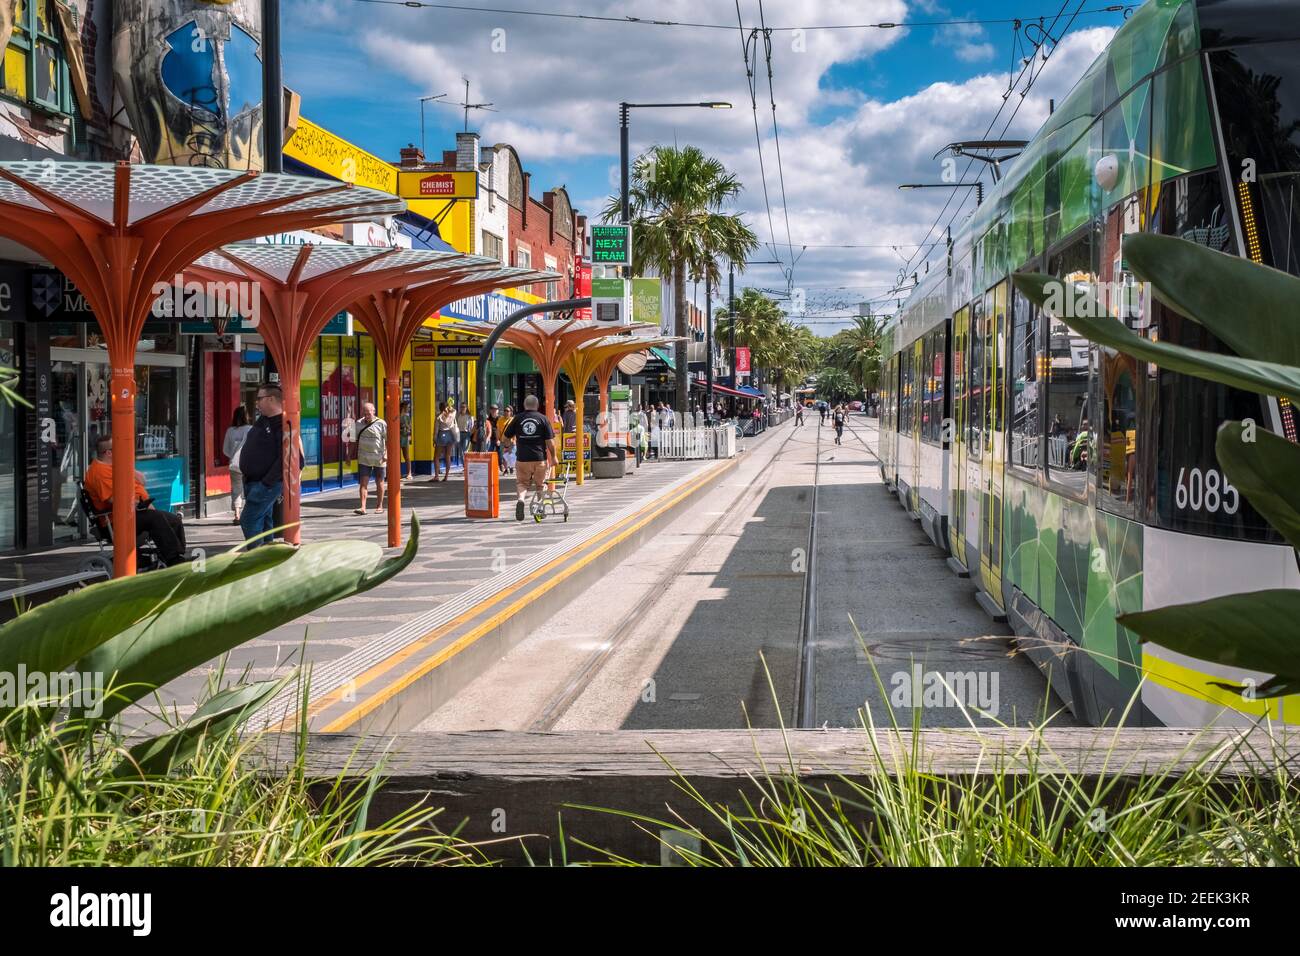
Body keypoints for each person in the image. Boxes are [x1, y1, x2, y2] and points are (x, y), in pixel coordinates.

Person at [83, 434, 187, 566]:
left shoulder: (115, 466)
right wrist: (139, 505)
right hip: (119, 519)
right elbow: (114, 500)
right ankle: (174, 560)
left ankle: (176, 555)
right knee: (156, 519)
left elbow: (142, 481)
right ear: (109, 453)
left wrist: (127, 467)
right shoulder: (99, 472)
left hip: (134, 511)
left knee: (174, 520)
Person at [239, 384, 299, 548]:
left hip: (265, 484)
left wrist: (267, 482)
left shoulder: (283, 424)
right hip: (254, 482)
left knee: (249, 519)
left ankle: (257, 559)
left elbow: (290, 457)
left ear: (271, 399)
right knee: (264, 521)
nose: (256, 402)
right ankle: (267, 555)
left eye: (259, 398)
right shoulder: (264, 420)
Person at [504, 394, 556, 522]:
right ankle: (540, 508)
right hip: (540, 458)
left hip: (522, 458)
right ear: (537, 406)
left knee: (522, 483)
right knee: (541, 484)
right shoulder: (543, 419)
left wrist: (509, 444)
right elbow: (550, 442)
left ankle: (521, 500)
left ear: (524, 405)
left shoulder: (517, 418)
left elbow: (505, 439)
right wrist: (554, 457)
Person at [354, 402, 387, 515]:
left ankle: (380, 506)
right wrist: (349, 455)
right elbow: (354, 440)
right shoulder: (358, 423)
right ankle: (363, 507)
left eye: (369, 413)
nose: (367, 415)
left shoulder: (381, 423)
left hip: (379, 457)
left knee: (380, 482)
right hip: (364, 457)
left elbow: (387, 439)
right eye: (365, 413)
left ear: (374, 411)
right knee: (363, 483)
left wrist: (386, 454)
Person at [222, 405, 251, 525]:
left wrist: (233, 456)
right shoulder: (250, 429)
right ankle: (249, 513)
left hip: (234, 464)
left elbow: (225, 449)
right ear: (246, 417)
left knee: (236, 489)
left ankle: (237, 514)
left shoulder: (230, 431)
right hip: (248, 464)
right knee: (249, 488)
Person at [434, 400, 459, 481]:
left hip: (441, 435)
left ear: (439, 408)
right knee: (447, 456)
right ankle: (446, 476)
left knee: (436, 457)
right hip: (450, 435)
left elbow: (436, 430)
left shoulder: (438, 417)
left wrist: (434, 439)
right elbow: (454, 410)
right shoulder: (452, 415)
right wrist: (450, 407)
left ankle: (437, 476)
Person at [496, 405, 515, 474]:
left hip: (511, 441)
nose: (506, 412)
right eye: (505, 411)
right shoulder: (500, 420)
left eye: (507, 411)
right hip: (503, 440)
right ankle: (506, 469)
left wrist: (514, 440)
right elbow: (498, 431)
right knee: (504, 456)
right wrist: (497, 439)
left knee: (511, 455)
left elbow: (516, 431)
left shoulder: (513, 420)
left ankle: (511, 467)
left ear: (511, 412)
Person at [399, 401, 413, 479]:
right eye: (407, 407)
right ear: (403, 408)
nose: (408, 408)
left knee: (406, 456)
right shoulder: (397, 416)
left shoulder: (407, 417)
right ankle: (398, 473)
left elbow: (409, 427)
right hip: (398, 438)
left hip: (405, 437)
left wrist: (407, 428)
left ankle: (409, 473)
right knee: (397, 457)